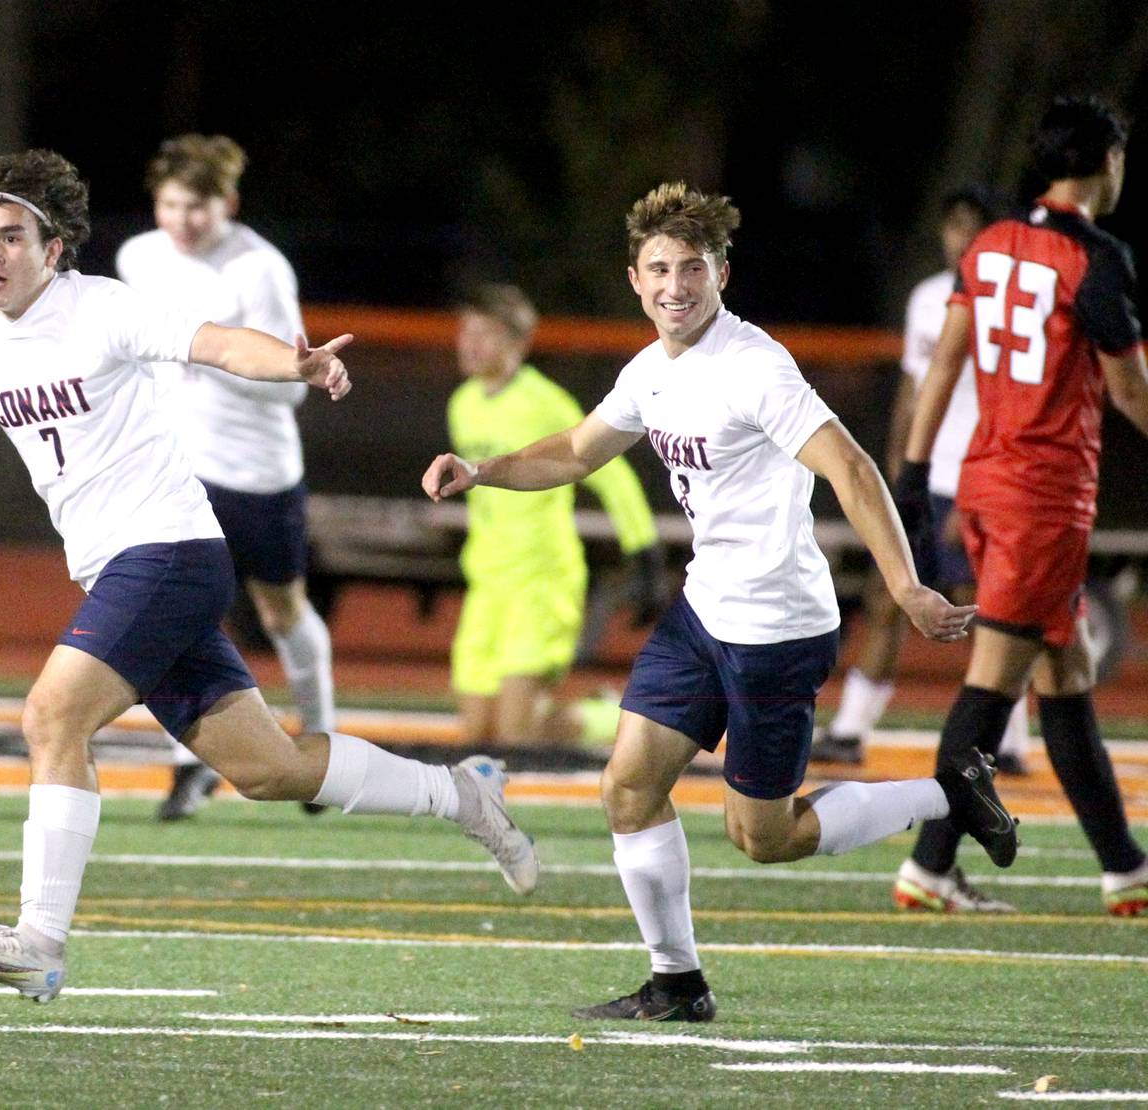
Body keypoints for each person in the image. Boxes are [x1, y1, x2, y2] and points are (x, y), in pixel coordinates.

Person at [0, 149, 539, 1003]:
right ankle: (462, 794)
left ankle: (38, 940)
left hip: (171, 554)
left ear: (55, 247)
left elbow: (216, 344)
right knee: (268, 770)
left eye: (8, 238)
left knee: (52, 714)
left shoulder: (102, 309)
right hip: (121, 568)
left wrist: (294, 363)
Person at [423, 181, 1015, 1024]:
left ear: (722, 273)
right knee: (628, 787)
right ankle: (676, 981)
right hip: (705, 616)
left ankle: (948, 792)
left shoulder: (754, 366)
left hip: (775, 629)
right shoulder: (649, 370)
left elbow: (848, 465)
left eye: (692, 268)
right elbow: (577, 450)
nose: (675, 285)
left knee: (763, 838)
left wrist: (906, 583)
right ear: (635, 278)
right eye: (659, 268)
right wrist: (481, 469)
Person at [894, 95, 1148, 918]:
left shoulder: (991, 244)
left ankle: (1124, 869)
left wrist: (913, 466)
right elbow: (1128, 388)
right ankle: (930, 864)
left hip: (980, 477)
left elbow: (942, 368)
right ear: (1106, 160)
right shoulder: (1097, 257)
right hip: (1042, 495)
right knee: (989, 687)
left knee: (1063, 673)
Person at [115, 134, 336, 820]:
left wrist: (211, 357)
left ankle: (321, 740)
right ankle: (191, 765)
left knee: (279, 610)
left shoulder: (257, 271)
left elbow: (290, 390)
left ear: (229, 204)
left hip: (255, 471)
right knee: (177, 609)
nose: (182, 220)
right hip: (174, 468)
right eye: (171, 204)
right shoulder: (138, 258)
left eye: (198, 207)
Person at [813, 189, 1033, 799]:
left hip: (983, 478)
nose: (960, 239)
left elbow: (1011, 400)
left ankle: (1010, 738)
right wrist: (895, 470)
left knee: (984, 606)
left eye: (973, 227)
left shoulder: (1015, 300)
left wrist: (977, 485)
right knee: (890, 595)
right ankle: (851, 728)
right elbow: (916, 390)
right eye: (953, 226)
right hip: (926, 474)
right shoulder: (928, 299)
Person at [445, 282, 661, 749]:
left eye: (485, 333)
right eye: (466, 331)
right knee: (476, 733)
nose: (470, 343)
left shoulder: (545, 402)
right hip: (488, 585)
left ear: (518, 342)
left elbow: (612, 475)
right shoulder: (462, 404)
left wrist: (643, 551)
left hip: (541, 582)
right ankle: (600, 709)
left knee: (514, 734)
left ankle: (611, 718)